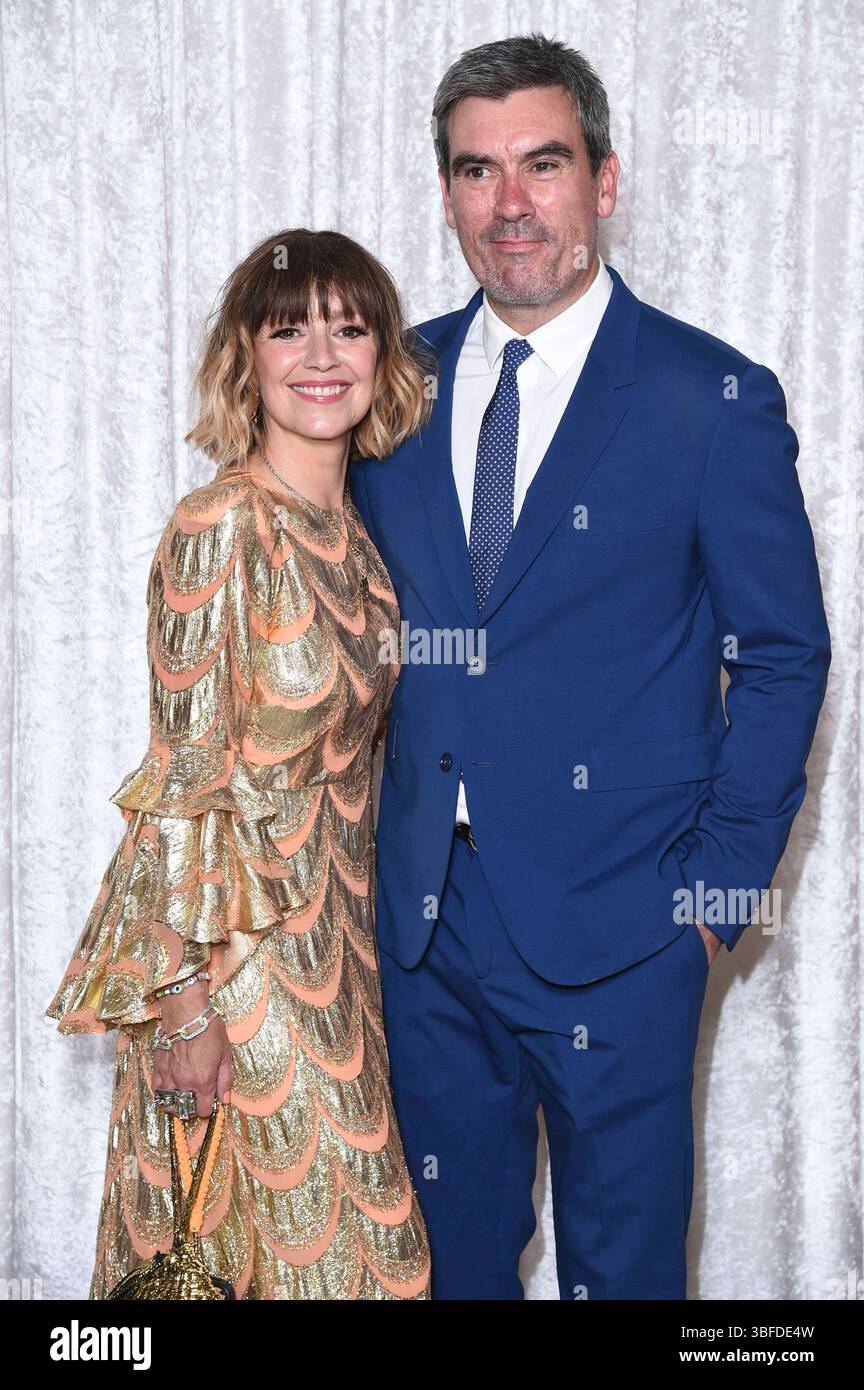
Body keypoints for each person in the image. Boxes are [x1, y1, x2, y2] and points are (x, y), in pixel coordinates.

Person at [349, 33, 832, 1300]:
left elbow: (781, 655)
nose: (509, 204)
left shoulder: (709, 397)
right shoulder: (389, 387)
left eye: (543, 165)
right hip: (424, 930)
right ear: (447, 191)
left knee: (622, 1277)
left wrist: (714, 900)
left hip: (628, 928)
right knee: (446, 1272)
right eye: (476, 171)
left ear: (603, 181)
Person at [45, 227, 434, 1301]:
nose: (322, 355)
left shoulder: (354, 539)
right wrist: (183, 1005)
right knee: (350, 1267)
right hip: (239, 971)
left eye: (350, 329)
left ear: (382, 356)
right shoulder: (220, 524)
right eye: (288, 329)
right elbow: (183, 778)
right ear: (244, 356)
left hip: (340, 963)